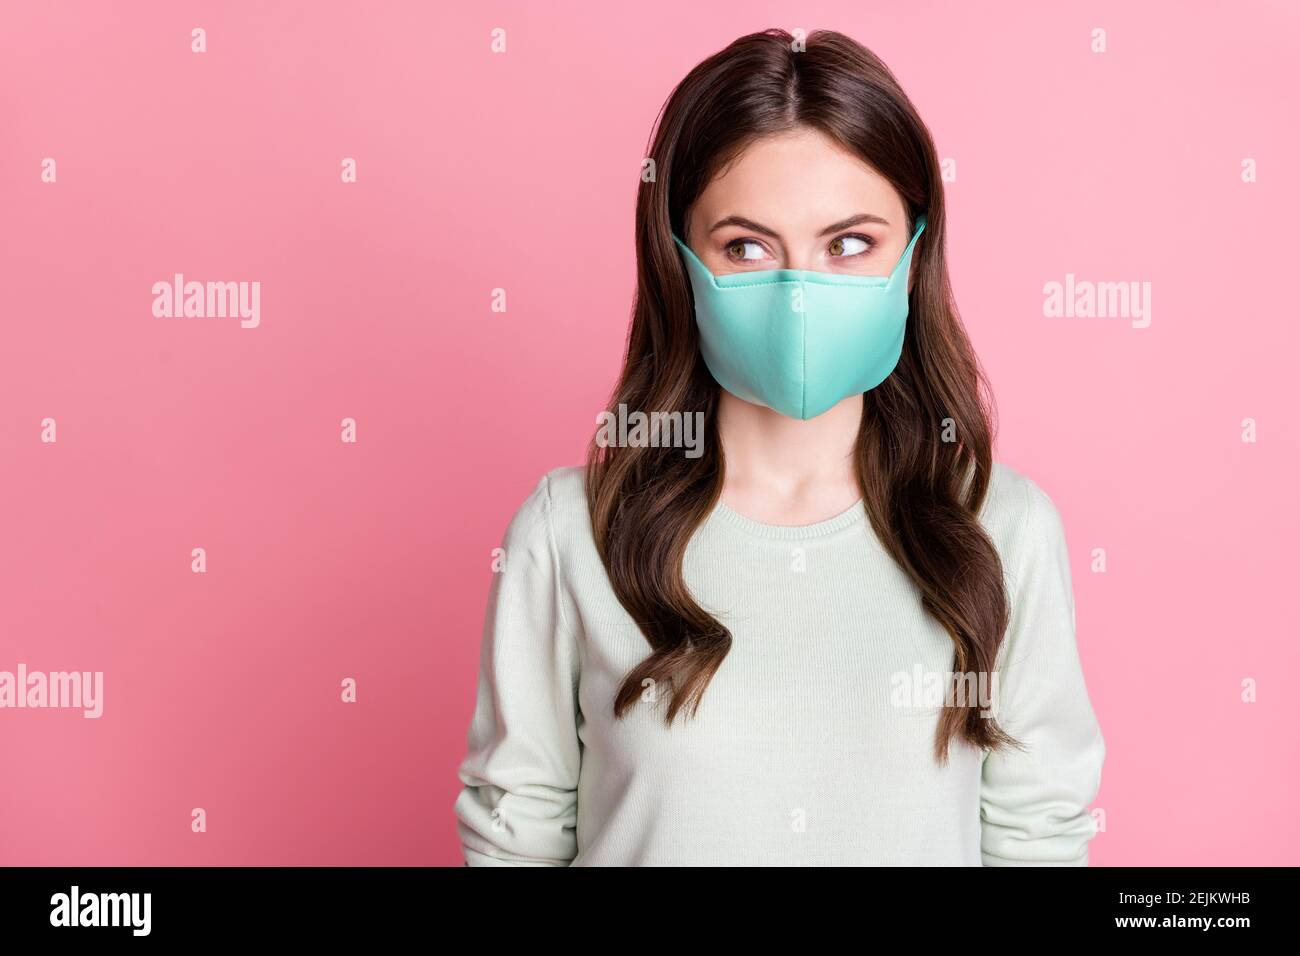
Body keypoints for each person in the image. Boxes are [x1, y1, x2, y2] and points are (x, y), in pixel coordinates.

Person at [453, 27, 1105, 866]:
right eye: (747, 247)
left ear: (911, 260)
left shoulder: (1004, 529)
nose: (801, 292)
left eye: (848, 244)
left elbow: (1037, 839)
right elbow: (516, 835)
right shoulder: (569, 531)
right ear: (680, 262)